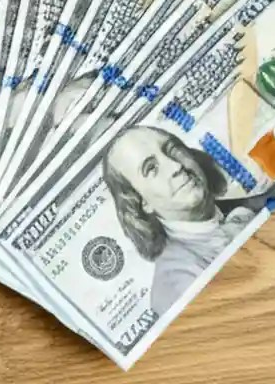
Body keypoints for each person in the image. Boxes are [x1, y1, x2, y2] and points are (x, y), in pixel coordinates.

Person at [102, 125, 259, 316]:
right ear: (142, 202)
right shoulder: (176, 284)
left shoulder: (246, 209)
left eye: (172, 151)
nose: (175, 167)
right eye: (151, 169)